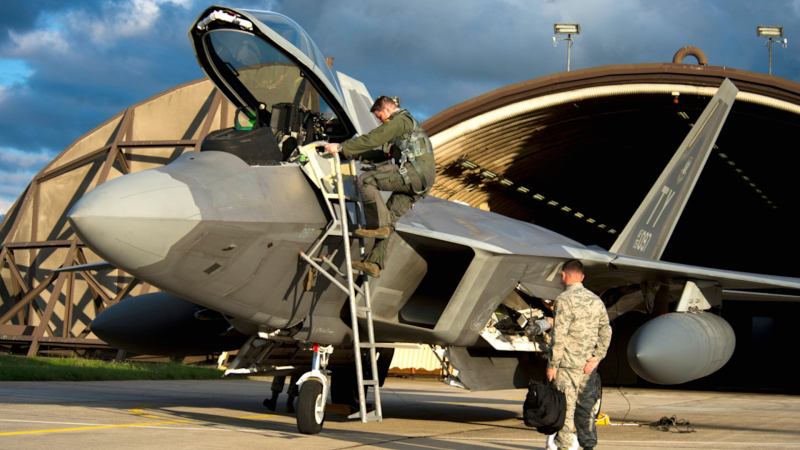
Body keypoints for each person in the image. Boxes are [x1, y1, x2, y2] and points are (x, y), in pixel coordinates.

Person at [324, 96, 435, 278]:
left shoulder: (400, 120)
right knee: (389, 221)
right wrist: (357, 155)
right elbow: (384, 153)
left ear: (387, 109)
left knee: (366, 181)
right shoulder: (406, 128)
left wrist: (341, 147)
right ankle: (374, 262)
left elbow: (374, 138)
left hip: (414, 173)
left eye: (379, 116)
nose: (380, 120)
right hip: (422, 181)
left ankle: (377, 224)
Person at [546, 260, 612, 450]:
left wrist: (552, 364)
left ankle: (565, 447)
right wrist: (597, 357)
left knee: (566, 409)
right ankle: (588, 445)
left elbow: (559, 335)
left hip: (567, 366)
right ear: (582, 277)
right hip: (588, 367)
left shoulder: (564, 300)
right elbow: (606, 331)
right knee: (586, 409)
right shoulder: (595, 300)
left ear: (563, 275)